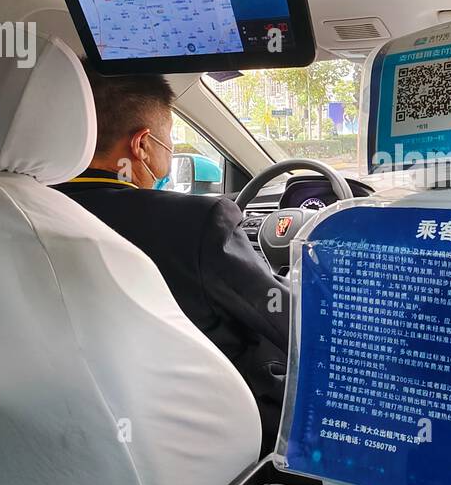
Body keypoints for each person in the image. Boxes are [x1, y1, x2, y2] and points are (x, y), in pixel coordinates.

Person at [55, 71, 288, 452]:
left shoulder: (17, 212)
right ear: (142, 145)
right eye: (170, 142)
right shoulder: (199, 223)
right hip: (219, 432)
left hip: (79, 423)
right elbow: (290, 324)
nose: (170, 154)